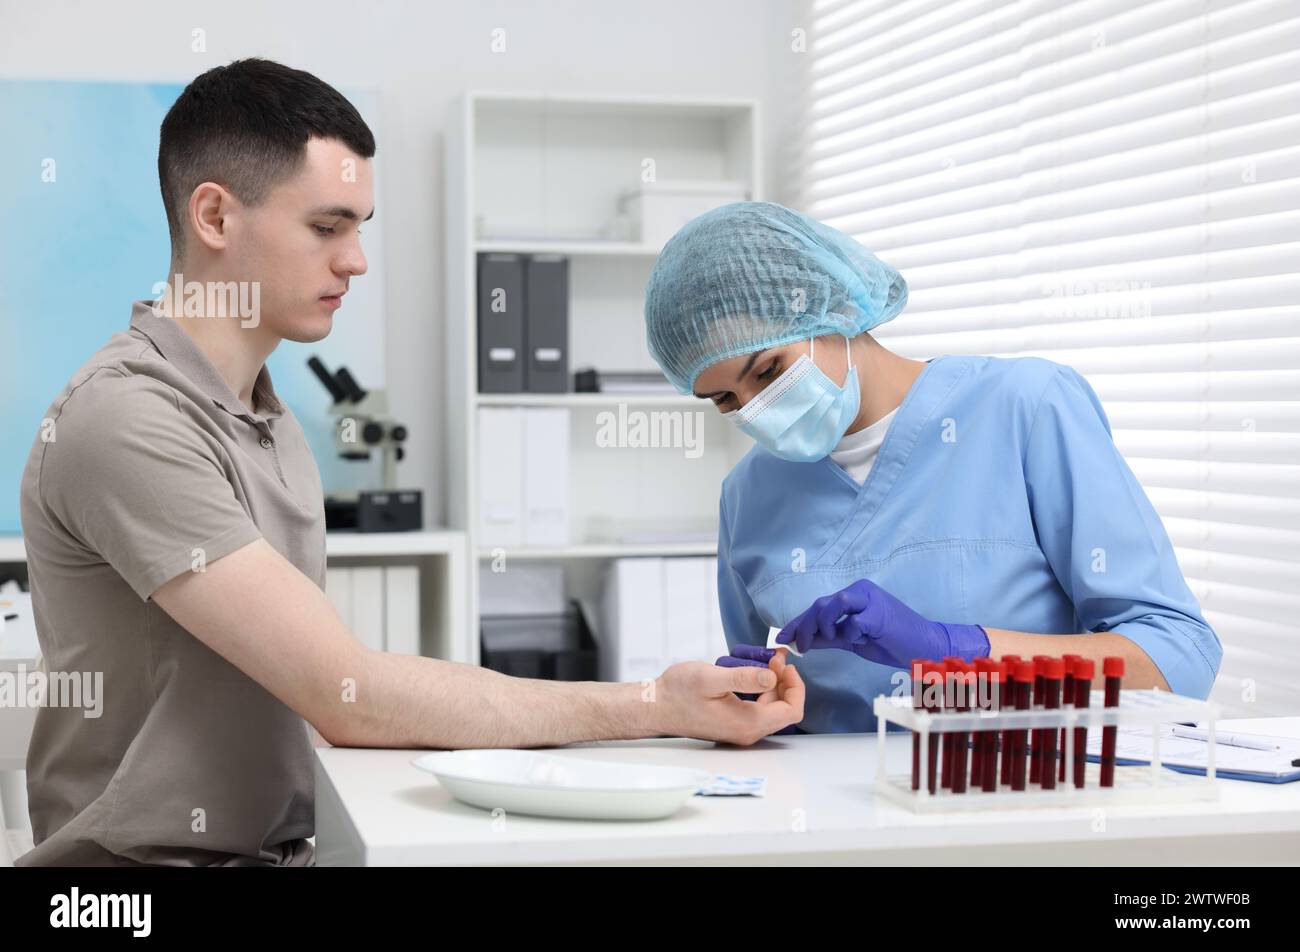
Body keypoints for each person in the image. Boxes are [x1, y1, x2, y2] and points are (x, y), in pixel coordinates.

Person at [16, 60, 802, 867]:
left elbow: (328, 696)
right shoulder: (127, 417)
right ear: (215, 215)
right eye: (327, 227)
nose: (356, 260)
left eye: (361, 226)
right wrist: (652, 703)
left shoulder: (266, 415)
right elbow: (343, 691)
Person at [643, 201, 1221, 733]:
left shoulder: (1026, 408)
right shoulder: (748, 494)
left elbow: (1178, 657)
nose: (755, 410)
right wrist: (752, 697)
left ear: (831, 306)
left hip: (1020, 810)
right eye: (724, 400)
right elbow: (770, 713)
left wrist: (953, 649)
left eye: (768, 371)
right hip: (834, 830)